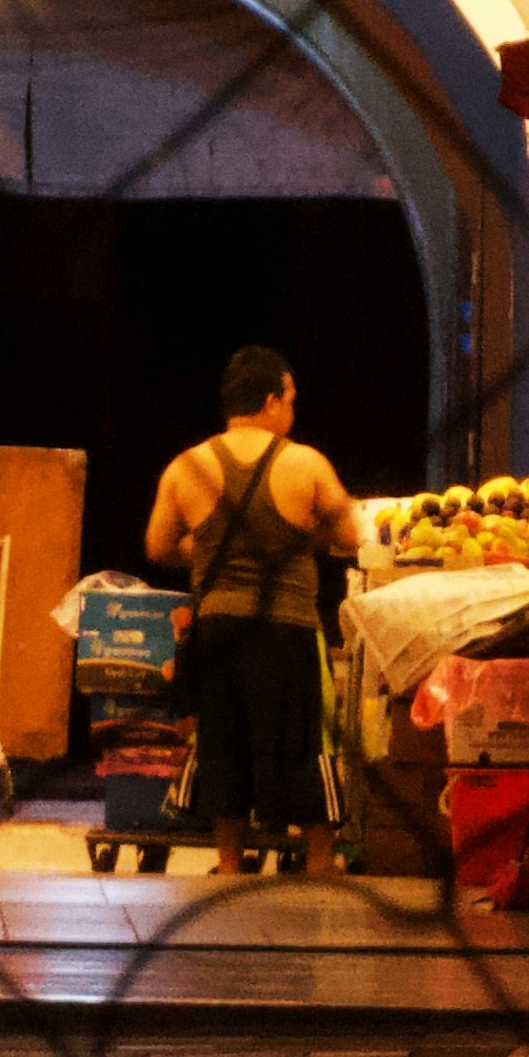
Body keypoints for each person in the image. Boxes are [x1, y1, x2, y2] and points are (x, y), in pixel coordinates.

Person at [145, 345, 361, 875]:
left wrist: (208, 550)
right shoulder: (304, 463)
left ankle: (229, 861)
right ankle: (319, 859)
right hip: (285, 628)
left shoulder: (187, 467)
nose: (292, 411)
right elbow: (351, 534)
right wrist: (302, 537)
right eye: (290, 400)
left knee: (222, 741)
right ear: (270, 401)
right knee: (303, 742)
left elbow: (158, 546)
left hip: (217, 628)